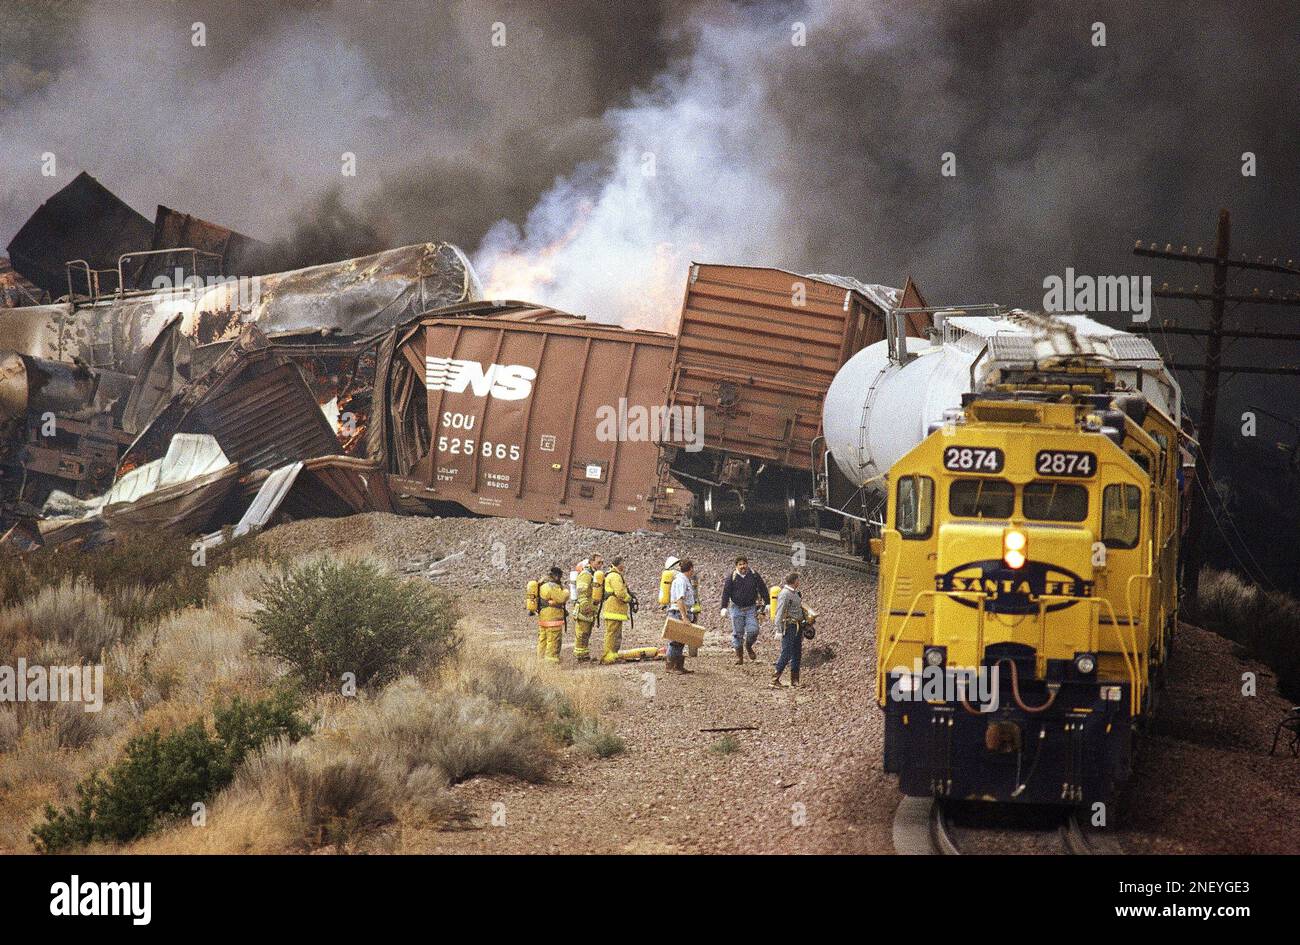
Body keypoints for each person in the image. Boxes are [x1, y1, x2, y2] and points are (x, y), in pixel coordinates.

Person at [719, 555, 769, 665]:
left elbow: (763, 588)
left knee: (753, 630)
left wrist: (768, 602)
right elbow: (726, 593)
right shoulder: (731, 577)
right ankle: (739, 657)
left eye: (744, 564)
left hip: (751, 608)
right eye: (740, 564)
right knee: (738, 633)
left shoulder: (754, 575)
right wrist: (723, 607)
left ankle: (748, 646)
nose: (743, 566)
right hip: (736, 608)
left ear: (747, 564)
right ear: (736, 566)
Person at [772, 572, 805, 688]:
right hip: (789, 626)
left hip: (797, 625)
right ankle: (775, 678)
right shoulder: (785, 594)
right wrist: (779, 629)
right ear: (795, 581)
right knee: (786, 652)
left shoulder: (795, 593)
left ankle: (795, 680)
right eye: (798, 580)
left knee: (797, 652)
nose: (799, 582)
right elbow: (779, 612)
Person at [666, 558, 697, 675]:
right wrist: (684, 617)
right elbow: (679, 600)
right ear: (691, 569)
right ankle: (671, 665)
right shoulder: (681, 581)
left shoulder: (684, 580)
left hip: (682, 611)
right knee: (675, 640)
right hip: (678, 612)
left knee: (681, 640)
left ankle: (678, 665)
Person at [600, 556, 632, 664]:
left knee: (615, 634)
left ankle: (613, 655)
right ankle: (608, 656)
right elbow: (620, 592)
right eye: (623, 563)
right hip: (614, 610)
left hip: (615, 610)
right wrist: (628, 598)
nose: (624, 566)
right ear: (619, 564)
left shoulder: (614, 575)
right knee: (612, 634)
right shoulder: (614, 576)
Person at [572, 553, 604, 661]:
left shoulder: (594, 575)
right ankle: (580, 657)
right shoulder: (586, 574)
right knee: (582, 634)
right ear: (591, 562)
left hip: (590, 610)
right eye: (598, 562)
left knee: (587, 634)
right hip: (583, 610)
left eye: (602, 562)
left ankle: (584, 655)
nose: (601, 565)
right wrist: (585, 606)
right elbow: (581, 591)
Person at [536, 565, 569, 664]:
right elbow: (562, 598)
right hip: (553, 618)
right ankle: (550, 663)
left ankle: (540, 661)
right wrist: (566, 591)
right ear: (557, 576)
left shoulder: (541, 584)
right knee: (554, 640)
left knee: (543, 640)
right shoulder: (552, 586)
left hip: (543, 617)